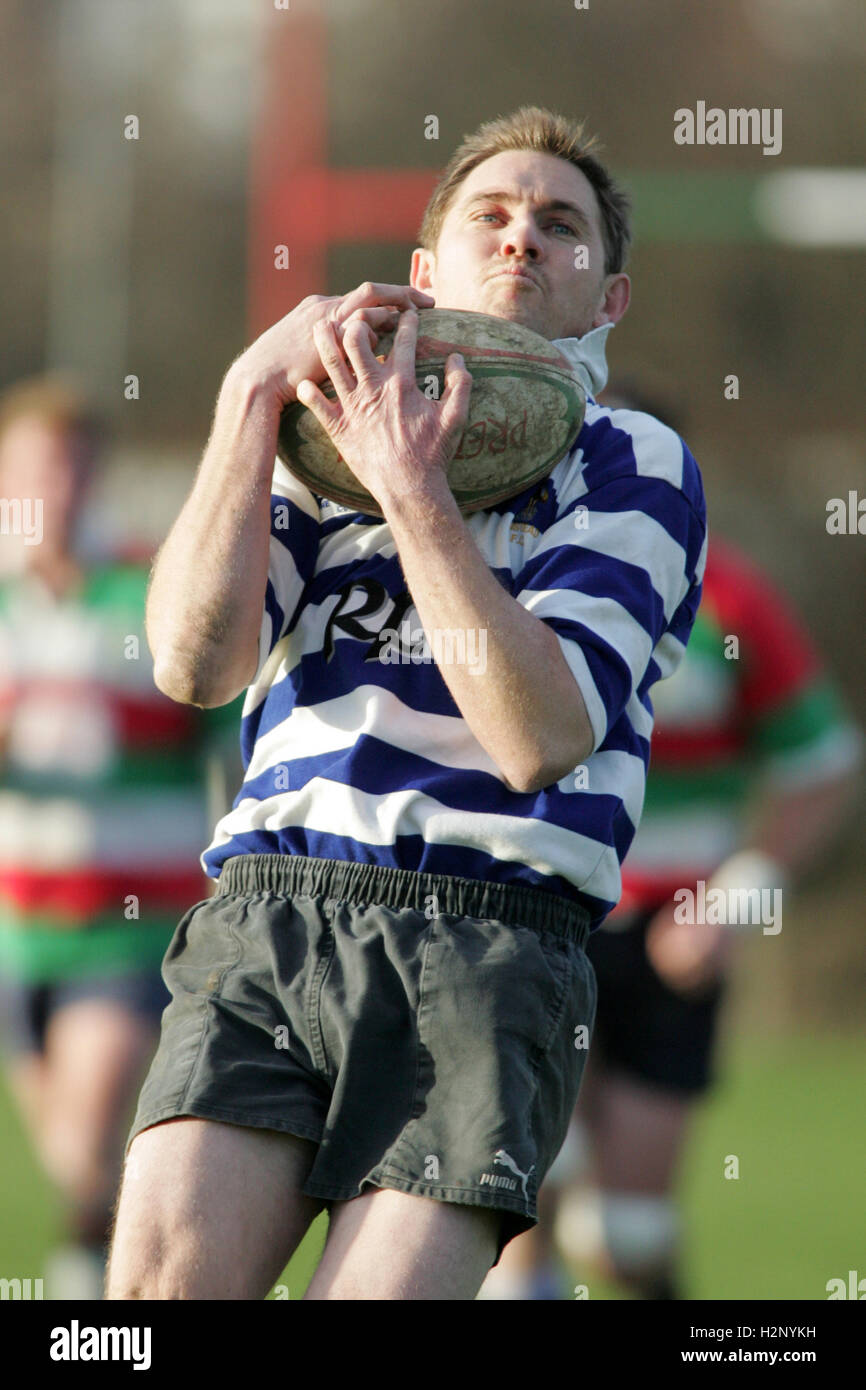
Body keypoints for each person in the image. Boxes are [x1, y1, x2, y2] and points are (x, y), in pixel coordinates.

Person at [106, 106, 707, 1301]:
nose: (523, 239)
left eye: (559, 225)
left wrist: (411, 490)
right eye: (490, 216)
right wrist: (248, 401)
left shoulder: (629, 461)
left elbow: (536, 734)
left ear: (607, 300)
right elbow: (192, 662)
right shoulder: (315, 447)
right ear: (426, 273)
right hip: (270, 916)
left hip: (486, 948)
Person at [479, 387, 863, 1300]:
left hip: (668, 944)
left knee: (626, 1234)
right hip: (533, 922)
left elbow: (823, 767)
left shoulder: (729, 599)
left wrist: (733, 903)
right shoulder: (503, 582)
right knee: (512, 1208)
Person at [0, 375, 239, 1298]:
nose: (54, 485)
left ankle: (90, 1323)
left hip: (135, 918)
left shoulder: (149, 588)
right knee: (74, 1164)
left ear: (93, 475)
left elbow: (227, 733)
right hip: (22, 926)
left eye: (70, 464)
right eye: (34, 465)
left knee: (91, 1139)